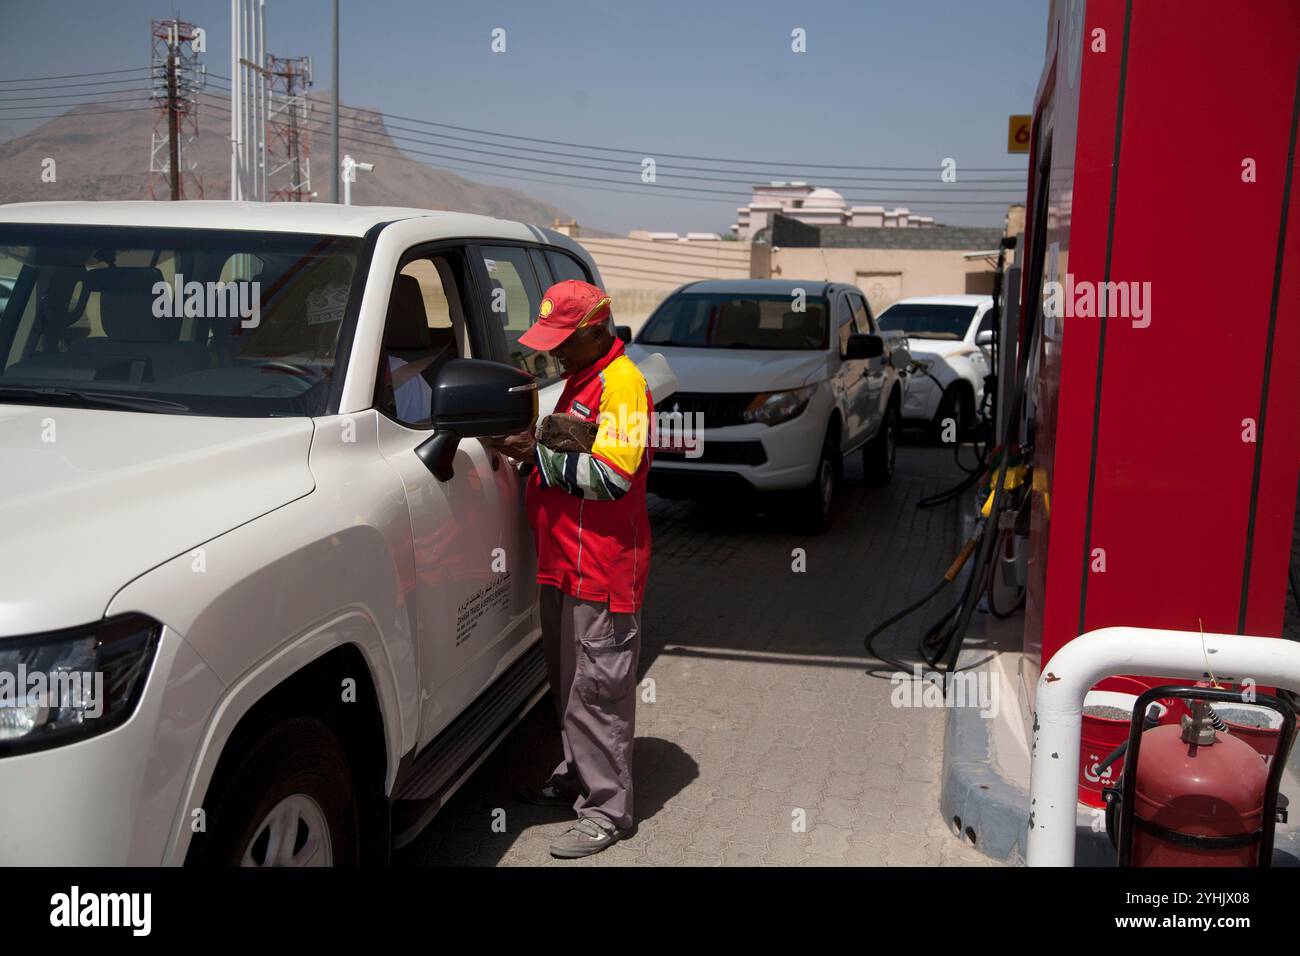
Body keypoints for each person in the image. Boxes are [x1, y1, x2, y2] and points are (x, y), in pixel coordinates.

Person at [494, 279, 652, 858]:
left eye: (562, 339)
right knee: (570, 685)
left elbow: (612, 478)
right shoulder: (582, 379)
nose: (552, 351)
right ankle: (577, 772)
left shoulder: (624, 386)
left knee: (598, 691)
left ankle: (608, 810)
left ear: (594, 329)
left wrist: (536, 454)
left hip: (604, 570)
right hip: (565, 563)